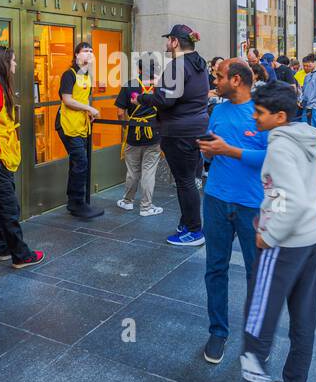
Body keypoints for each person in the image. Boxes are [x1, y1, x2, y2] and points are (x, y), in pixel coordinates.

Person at [212, 81, 316, 382]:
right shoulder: (303, 138)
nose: (255, 118)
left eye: (260, 114)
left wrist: (268, 234)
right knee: (303, 321)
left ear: (279, 116)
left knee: (258, 322)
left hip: (285, 246)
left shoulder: (279, 149)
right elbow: (301, 195)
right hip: (314, 238)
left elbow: (290, 200)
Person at [196, 60, 269, 364]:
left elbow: (272, 156)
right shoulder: (219, 109)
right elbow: (212, 145)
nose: (214, 80)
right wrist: (208, 149)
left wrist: (231, 151)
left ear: (236, 80)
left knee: (257, 273)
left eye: (219, 77)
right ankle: (218, 331)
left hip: (251, 205)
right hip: (214, 199)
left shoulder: (262, 112)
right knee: (215, 268)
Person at [133, 24, 210, 246]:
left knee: (185, 182)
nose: (166, 43)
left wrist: (142, 98)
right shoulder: (198, 63)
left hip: (179, 132)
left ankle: (194, 231)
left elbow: (165, 100)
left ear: (175, 41)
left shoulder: (177, 65)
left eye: (168, 39)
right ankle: (187, 222)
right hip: (194, 128)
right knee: (188, 180)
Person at [0, 47, 44, 268]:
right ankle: (21, 254)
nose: (15, 65)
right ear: (4, 64)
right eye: (13, 61)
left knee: (2, 203)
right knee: (9, 205)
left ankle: (5, 247)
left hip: (5, 156)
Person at [53, 41, 105, 220]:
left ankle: (74, 202)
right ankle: (77, 203)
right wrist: (90, 109)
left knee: (78, 163)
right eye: (85, 51)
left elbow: (82, 98)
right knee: (81, 162)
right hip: (67, 124)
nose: (89, 53)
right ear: (76, 55)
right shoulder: (69, 74)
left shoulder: (87, 74)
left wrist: (87, 111)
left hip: (80, 124)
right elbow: (67, 100)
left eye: (91, 50)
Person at [114, 53, 164, 217]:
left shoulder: (129, 85)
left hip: (133, 133)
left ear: (139, 69)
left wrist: (125, 128)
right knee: (148, 171)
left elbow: (120, 113)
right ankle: (146, 207)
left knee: (132, 170)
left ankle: (127, 201)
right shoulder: (160, 86)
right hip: (154, 133)